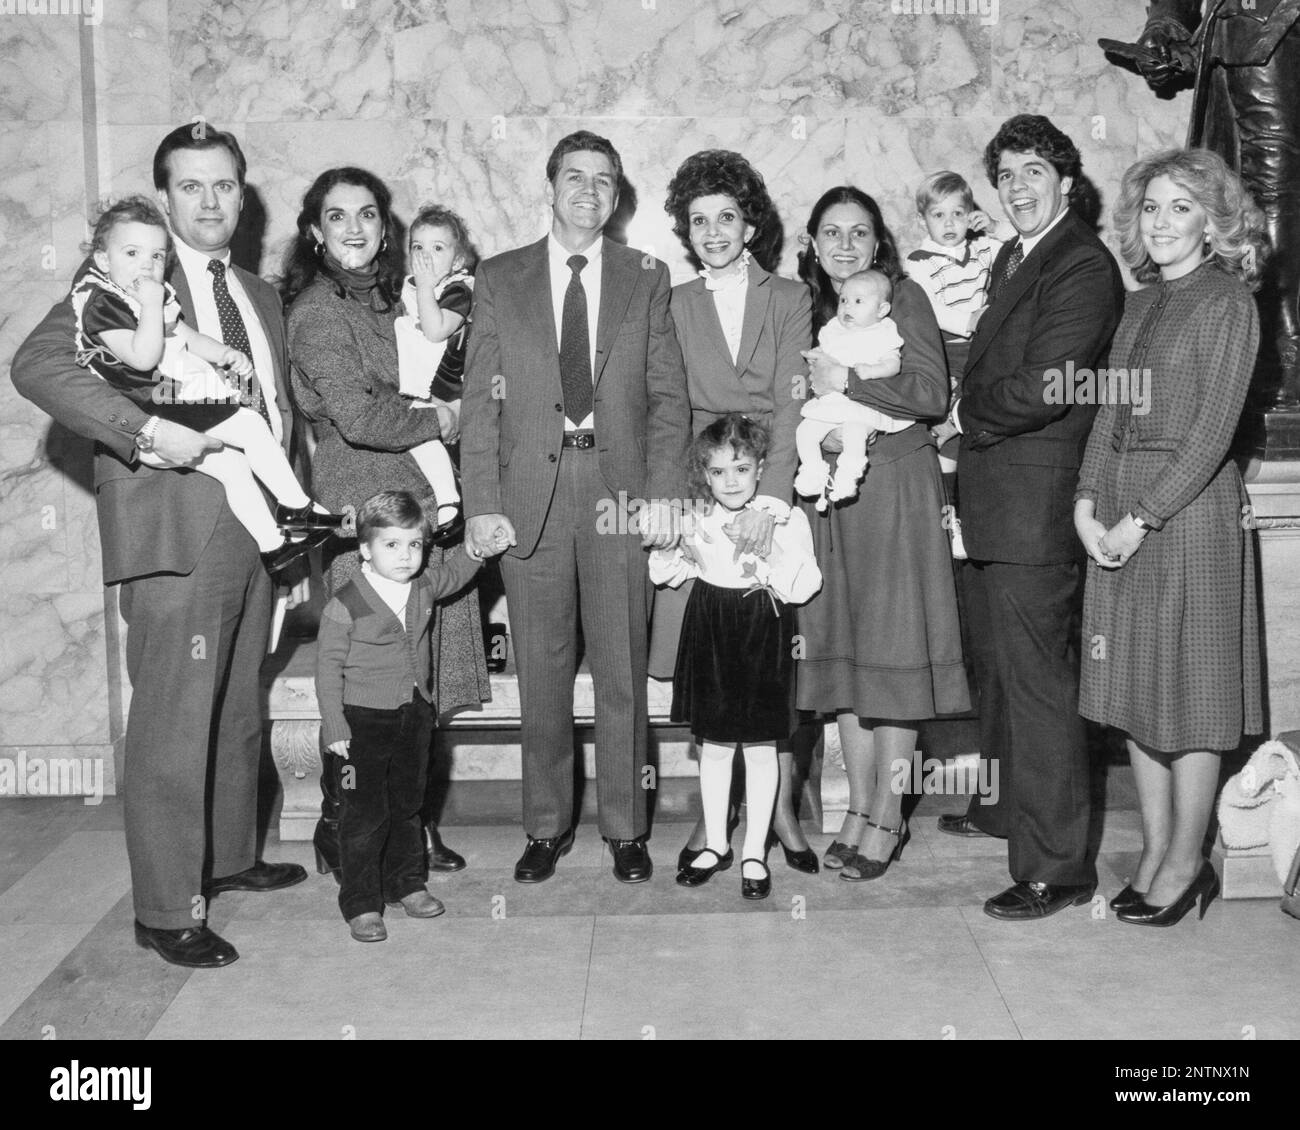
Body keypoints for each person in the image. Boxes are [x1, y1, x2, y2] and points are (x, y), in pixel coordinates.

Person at [11, 123, 308, 969]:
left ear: (243, 196)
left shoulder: (256, 290)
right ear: (164, 195)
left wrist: (293, 537)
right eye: (191, 186)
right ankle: (166, 907)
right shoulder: (131, 265)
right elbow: (37, 366)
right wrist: (143, 432)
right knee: (176, 716)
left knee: (235, 703)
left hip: (255, 523)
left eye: (224, 186)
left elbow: (275, 417)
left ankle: (228, 859)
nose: (210, 202)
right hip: (175, 521)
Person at [461, 130, 691, 885]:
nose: (588, 191)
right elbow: (479, 405)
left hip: (618, 492)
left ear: (619, 197)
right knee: (542, 670)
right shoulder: (499, 277)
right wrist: (483, 505)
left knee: (622, 666)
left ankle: (626, 827)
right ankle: (546, 824)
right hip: (532, 497)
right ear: (550, 185)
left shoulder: (645, 276)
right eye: (574, 177)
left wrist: (662, 494)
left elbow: (667, 395)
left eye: (604, 181)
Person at [1075, 148, 1266, 926]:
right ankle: (1155, 851)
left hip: (1184, 518)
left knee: (1190, 698)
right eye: (1150, 207)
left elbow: (1213, 432)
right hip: (1121, 505)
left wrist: (1141, 516)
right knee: (1138, 695)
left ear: (1214, 221)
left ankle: (1187, 864)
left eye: (1179, 207)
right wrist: (1087, 503)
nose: (1159, 222)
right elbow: (1109, 416)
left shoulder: (1228, 302)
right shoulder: (1138, 301)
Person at [284, 167, 489, 882]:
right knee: (364, 685)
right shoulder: (317, 310)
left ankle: (411, 825)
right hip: (362, 509)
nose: (353, 228)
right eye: (336, 216)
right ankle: (347, 829)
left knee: (416, 683)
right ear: (315, 231)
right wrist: (445, 417)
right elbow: (362, 415)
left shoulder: (397, 298)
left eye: (366, 214)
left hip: (421, 510)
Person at [944, 115, 1124, 921]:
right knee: (1003, 678)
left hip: (1033, 510)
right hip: (994, 505)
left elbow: (1052, 384)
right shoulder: (1019, 256)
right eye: (1005, 175)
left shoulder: (1081, 262)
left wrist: (962, 412)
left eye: (1032, 171)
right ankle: (1008, 811)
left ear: (1066, 179)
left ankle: (1058, 867)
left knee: (1041, 689)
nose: (1017, 187)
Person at [652, 148, 819, 876]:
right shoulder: (675, 304)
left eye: (727, 217)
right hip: (704, 487)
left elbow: (791, 402)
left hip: (769, 483)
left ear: (749, 224)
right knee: (711, 668)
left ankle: (776, 811)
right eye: (699, 221)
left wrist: (773, 503)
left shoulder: (788, 297)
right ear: (686, 233)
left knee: (768, 664)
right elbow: (670, 407)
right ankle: (714, 822)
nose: (714, 232)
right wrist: (692, 500)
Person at [796, 186, 970, 883]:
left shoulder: (906, 298)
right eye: (830, 232)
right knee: (843, 659)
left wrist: (850, 381)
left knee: (895, 658)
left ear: (877, 244)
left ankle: (888, 814)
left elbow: (931, 395)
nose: (844, 245)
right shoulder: (808, 309)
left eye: (859, 233)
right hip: (830, 501)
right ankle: (857, 807)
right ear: (812, 244)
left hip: (896, 489)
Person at [72, 196, 344, 571]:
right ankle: (297, 508)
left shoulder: (156, 295)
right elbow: (142, 357)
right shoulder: (103, 304)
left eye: (156, 256)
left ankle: (272, 544)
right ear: (103, 260)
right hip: (151, 408)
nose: (146, 265)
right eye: (132, 253)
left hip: (168, 401)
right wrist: (150, 308)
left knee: (232, 466)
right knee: (249, 424)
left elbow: (186, 334)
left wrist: (223, 354)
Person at [650, 416, 821, 899]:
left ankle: (754, 852)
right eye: (719, 472)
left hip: (762, 629)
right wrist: (671, 547)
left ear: (761, 468)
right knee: (716, 745)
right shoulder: (695, 518)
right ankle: (717, 845)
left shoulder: (786, 518)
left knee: (763, 747)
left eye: (742, 470)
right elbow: (666, 575)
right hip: (709, 629)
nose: (731, 481)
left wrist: (770, 560)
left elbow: (807, 584)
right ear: (704, 474)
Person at [315, 491, 484, 942]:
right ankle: (362, 902)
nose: (406, 556)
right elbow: (327, 669)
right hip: (360, 722)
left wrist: (480, 547)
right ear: (365, 549)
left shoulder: (423, 585)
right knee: (363, 814)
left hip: (414, 713)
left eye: (414, 544)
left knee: (408, 806)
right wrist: (334, 726)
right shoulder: (344, 604)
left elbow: (454, 574)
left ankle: (407, 883)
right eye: (391, 545)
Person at [393, 204, 479, 532]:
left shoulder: (459, 289)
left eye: (438, 248)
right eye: (418, 247)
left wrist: (426, 289)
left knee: (445, 447)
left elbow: (435, 330)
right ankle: (445, 500)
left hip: (451, 390)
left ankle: (451, 501)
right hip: (420, 388)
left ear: (457, 260)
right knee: (420, 439)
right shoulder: (410, 288)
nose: (426, 257)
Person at [793, 269, 907, 510]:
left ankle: (848, 476)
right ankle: (813, 471)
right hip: (830, 403)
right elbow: (809, 372)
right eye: (843, 300)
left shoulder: (883, 332)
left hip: (860, 406)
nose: (847, 307)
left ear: (881, 310)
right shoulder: (833, 330)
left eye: (858, 301)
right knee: (804, 431)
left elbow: (893, 363)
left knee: (855, 434)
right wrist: (814, 359)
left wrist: (872, 371)